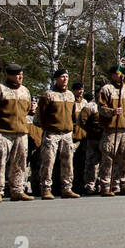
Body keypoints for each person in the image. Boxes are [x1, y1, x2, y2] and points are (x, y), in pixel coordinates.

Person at [0, 62, 32, 203]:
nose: (20, 77)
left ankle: (17, 190)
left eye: (21, 75)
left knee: (20, 163)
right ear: (9, 75)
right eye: (17, 75)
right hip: (2, 132)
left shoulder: (25, 91)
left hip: (21, 132)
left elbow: (27, 109)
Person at [35, 69, 80, 199]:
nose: (65, 79)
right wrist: (48, 128)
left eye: (67, 76)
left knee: (68, 162)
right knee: (48, 161)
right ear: (56, 79)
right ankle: (46, 188)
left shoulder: (71, 95)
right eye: (62, 77)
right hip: (52, 133)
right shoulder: (48, 95)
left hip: (67, 133)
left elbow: (73, 115)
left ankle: (67, 188)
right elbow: (39, 117)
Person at [97, 66, 125, 196]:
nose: (121, 76)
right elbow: (101, 108)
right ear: (112, 75)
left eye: (123, 74)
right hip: (111, 130)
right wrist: (112, 112)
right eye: (118, 74)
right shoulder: (106, 89)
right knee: (109, 158)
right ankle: (106, 185)